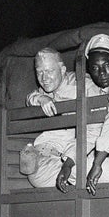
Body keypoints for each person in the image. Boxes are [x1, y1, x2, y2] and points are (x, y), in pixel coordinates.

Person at [57, 33, 109, 195]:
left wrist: (97, 163)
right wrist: (67, 164)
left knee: (86, 173)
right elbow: (93, 132)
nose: (101, 72)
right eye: (94, 67)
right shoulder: (102, 92)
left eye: (106, 65)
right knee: (72, 173)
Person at [19, 48, 79, 189]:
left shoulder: (80, 84)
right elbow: (30, 98)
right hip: (46, 159)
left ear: (62, 70)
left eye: (49, 71)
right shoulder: (45, 90)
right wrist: (41, 98)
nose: (44, 78)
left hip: (71, 156)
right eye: (40, 72)